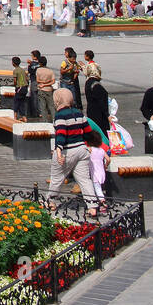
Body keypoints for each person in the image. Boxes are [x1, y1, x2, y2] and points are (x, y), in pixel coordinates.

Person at [47, 88, 98, 218]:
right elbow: (87, 132)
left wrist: (58, 152)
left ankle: (51, 201)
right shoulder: (79, 113)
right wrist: (90, 145)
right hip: (82, 150)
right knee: (84, 179)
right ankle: (92, 206)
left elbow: (61, 134)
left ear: (57, 100)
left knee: (57, 177)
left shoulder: (60, 115)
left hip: (67, 150)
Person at [35, 56, 56, 122]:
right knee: (51, 106)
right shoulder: (50, 71)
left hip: (41, 89)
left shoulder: (38, 70)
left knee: (43, 107)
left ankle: (45, 121)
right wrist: (46, 83)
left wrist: (43, 83)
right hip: (49, 89)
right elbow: (53, 81)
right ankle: (54, 120)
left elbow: (37, 80)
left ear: (40, 63)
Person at [12, 56, 28, 122]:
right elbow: (27, 78)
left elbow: (15, 80)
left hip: (20, 88)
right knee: (22, 102)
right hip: (25, 87)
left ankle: (15, 117)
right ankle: (24, 117)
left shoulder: (15, 70)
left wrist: (15, 85)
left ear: (13, 63)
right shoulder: (22, 70)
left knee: (16, 102)